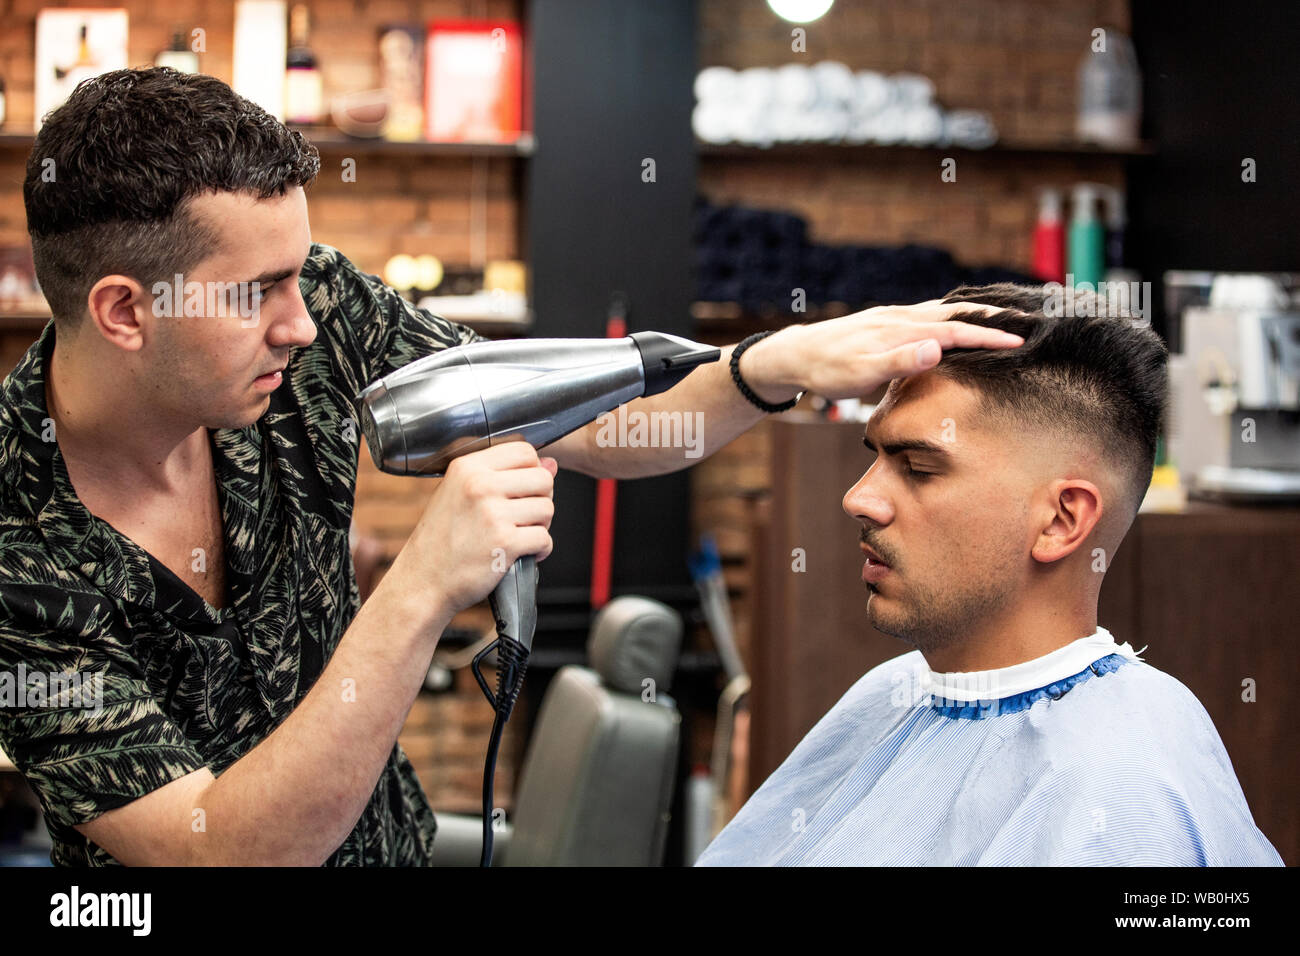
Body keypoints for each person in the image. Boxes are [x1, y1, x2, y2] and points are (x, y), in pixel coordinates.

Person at [0, 67, 1022, 866]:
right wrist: (425, 582)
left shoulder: (304, 313)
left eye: (299, 274)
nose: (304, 324)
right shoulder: (14, 543)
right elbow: (225, 847)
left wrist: (763, 369)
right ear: (126, 311)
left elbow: (597, 429)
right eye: (257, 292)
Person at [696, 282, 1284, 867]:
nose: (859, 499)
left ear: (1060, 520)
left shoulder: (1124, 788)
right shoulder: (894, 693)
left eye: (919, 468)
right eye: (872, 457)